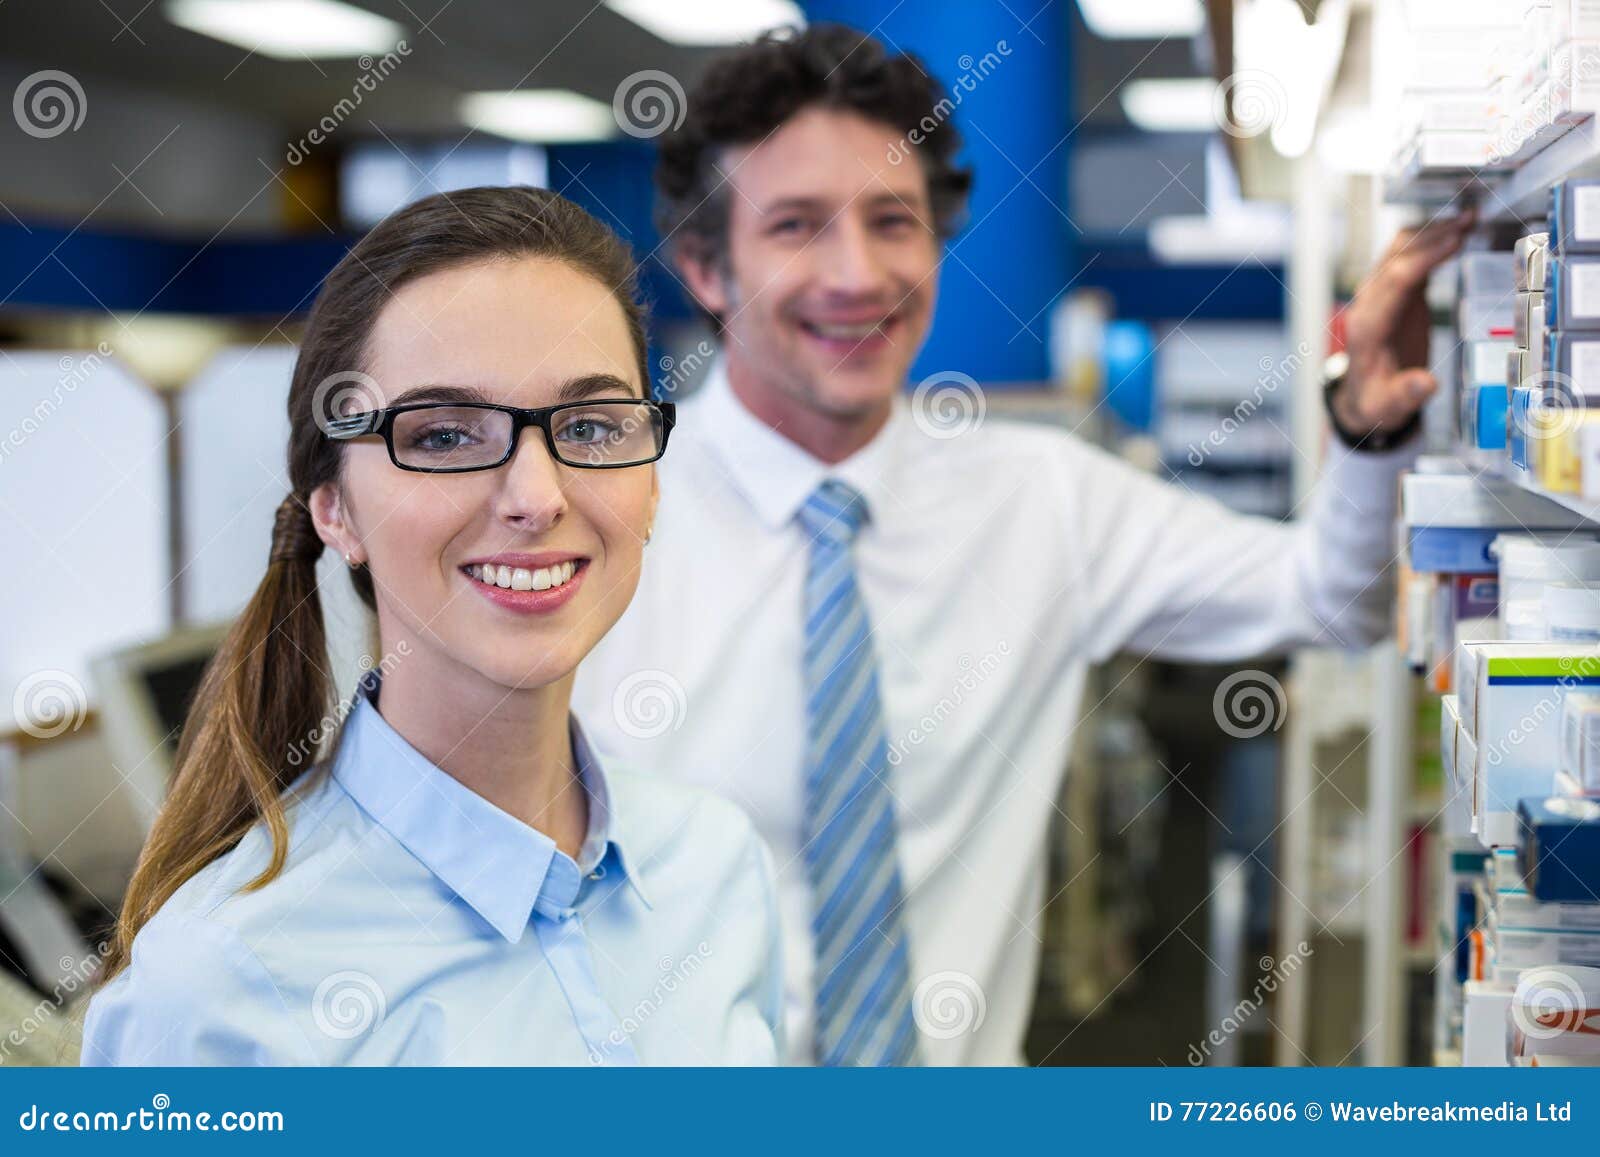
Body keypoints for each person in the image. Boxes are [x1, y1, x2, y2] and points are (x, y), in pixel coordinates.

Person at [571, 25, 1471, 1065]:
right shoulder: (595, 523)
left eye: (892, 221)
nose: (856, 273)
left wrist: (1366, 430)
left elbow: (1333, 597)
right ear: (706, 268)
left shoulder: (1043, 499)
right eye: (796, 225)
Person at [82, 186, 784, 1066]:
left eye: (593, 425)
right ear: (334, 509)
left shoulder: (714, 865)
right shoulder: (218, 988)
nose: (536, 497)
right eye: (446, 435)